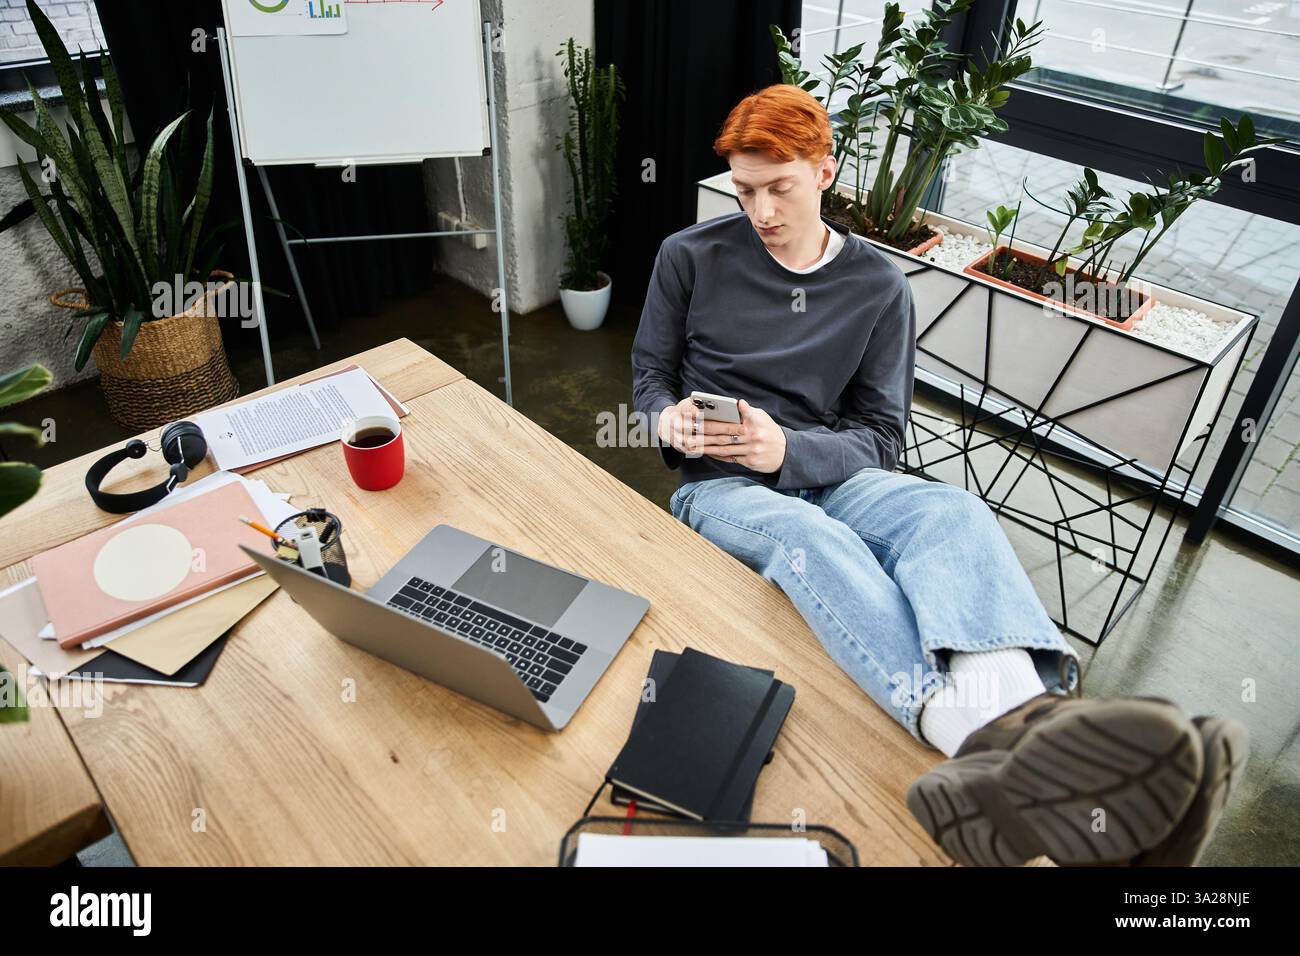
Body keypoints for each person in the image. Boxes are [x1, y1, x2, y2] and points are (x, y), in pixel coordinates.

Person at [630, 83, 1246, 866]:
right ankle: (983, 736)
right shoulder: (690, 257)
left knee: (952, 514)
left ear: (825, 170)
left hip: (829, 469)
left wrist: (791, 452)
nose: (760, 211)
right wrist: (665, 418)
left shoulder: (878, 287)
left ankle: (1032, 736)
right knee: (811, 538)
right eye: (746, 190)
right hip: (722, 489)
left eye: (778, 188)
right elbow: (650, 373)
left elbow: (882, 437)